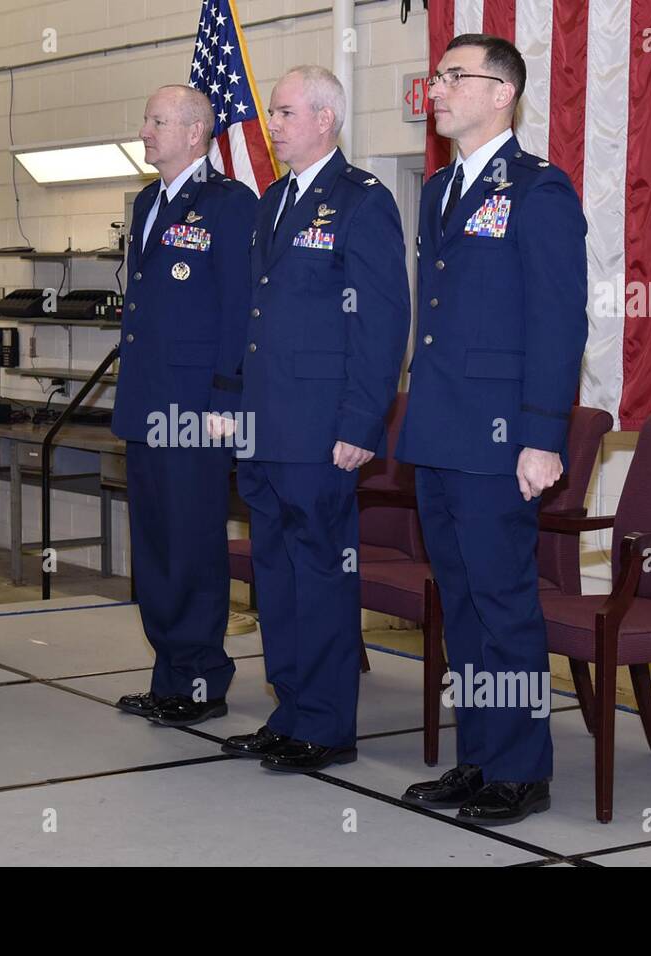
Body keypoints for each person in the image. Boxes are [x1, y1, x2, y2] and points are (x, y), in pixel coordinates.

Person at [395, 34, 588, 824]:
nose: (435, 89)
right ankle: (479, 754)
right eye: (436, 76)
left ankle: (521, 768)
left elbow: (557, 319)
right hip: (440, 430)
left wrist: (543, 435)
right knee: (464, 602)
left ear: (501, 93)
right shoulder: (441, 189)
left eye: (453, 77)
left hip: (502, 436)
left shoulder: (538, 190)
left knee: (505, 601)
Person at [216, 66, 410, 773]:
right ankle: (290, 709)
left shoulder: (361, 202)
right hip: (266, 426)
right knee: (277, 575)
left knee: (321, 574)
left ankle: (327, 726)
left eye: (286, 112)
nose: (274, 124)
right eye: (271, 112)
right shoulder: (273, 202)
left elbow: (384, 323)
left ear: (326, 119)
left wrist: (362, 424)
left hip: (322, 429)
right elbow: (259, 325)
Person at [112, 85, 258, 727]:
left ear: (197, 132)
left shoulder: (229, 205)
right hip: (146, 402)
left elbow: (239, 309)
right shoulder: (148, 201)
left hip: (196, 409)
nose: (145, 130)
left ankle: (201, 680)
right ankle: (169, 672)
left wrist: (226, 394)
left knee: (193, 545)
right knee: (155, 547)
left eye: (158, 121)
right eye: (146, 118)